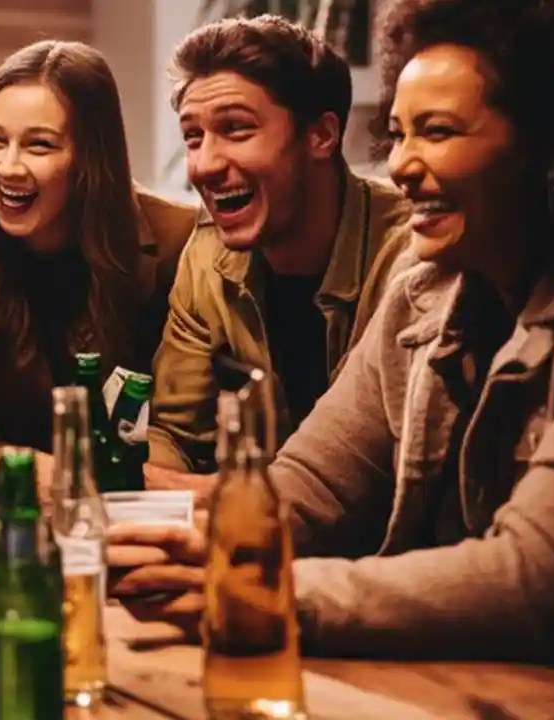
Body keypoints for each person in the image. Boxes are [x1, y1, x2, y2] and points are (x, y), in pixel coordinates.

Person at [108, 0, 554, 662]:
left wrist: (267, 589)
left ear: (546, 147)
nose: (401, 163)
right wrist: (186, 544)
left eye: (436, 132)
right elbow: (310, 489)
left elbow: (545, 577)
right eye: (398, 133)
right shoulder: (424, 285)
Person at [0, 40, 198, 496]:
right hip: (2, 502)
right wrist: (56, 478)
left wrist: (119, 486)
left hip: (137, 497)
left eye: (39, 146)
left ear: (92, 156)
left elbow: (177, 426)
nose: (8, 167)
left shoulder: (177, 241)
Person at [145, 15, 412, 484]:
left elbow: (376, 468)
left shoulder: (406, 253)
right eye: (193, 136)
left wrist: (221, 500)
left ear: (321, 136)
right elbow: (175, 435)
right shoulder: (208, 254)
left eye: (236, 129)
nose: (203, 165)